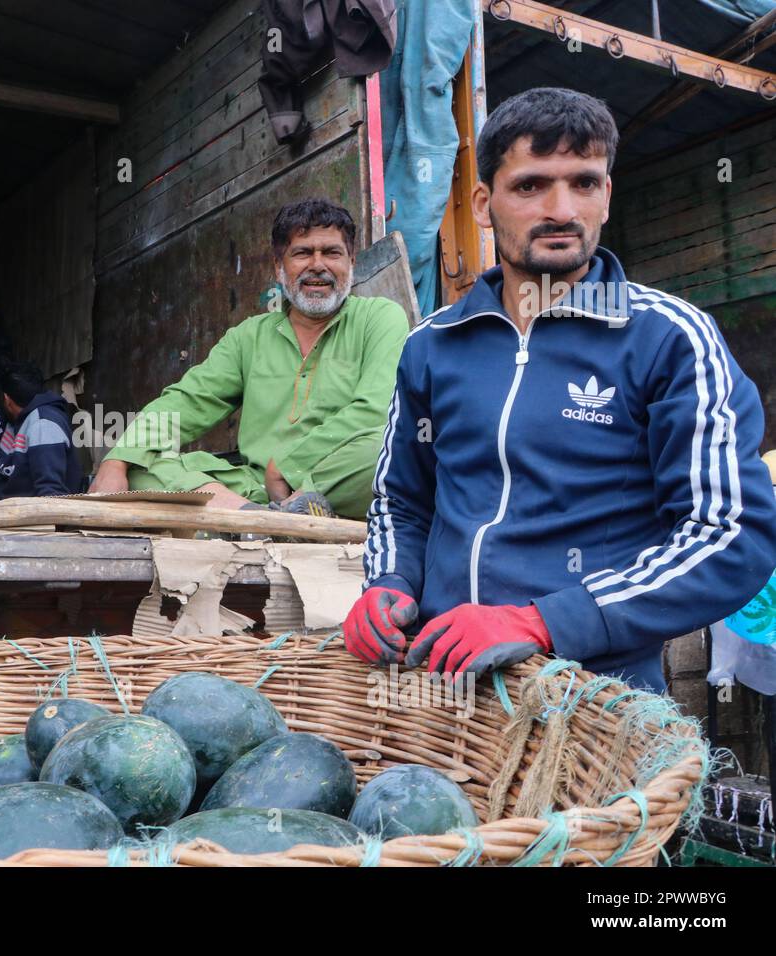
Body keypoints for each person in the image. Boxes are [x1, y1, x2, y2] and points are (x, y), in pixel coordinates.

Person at [343, 87, 776, 692]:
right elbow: (402, 501)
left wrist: (543, 621)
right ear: (483, 202)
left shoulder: (669, 339)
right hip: (435, 686)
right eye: (530, 185)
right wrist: (388, 580)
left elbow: (729, 534)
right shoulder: (432, 344)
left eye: (585, 183)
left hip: (594, 697)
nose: (561, 209)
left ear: (606, 196)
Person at [89, 198, 408, 520]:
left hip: (337, 478)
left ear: (351, 261)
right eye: (302, 253)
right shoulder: (248, 337)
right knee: (142, 468)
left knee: (394, 451)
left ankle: (272, 512)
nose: (318, 265)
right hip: (255, 489)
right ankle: (258, 518)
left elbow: (376, 409)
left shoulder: (379, 317)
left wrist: (288, 466)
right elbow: (185, 403)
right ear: (278, 267)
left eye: (332, 253)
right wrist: (116, 460)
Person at [0, 362, 82, 500]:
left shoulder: (43, 426)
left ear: (6, 399)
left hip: (19, 501)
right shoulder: (17, 413)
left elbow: (51, 491)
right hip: (2, 484)